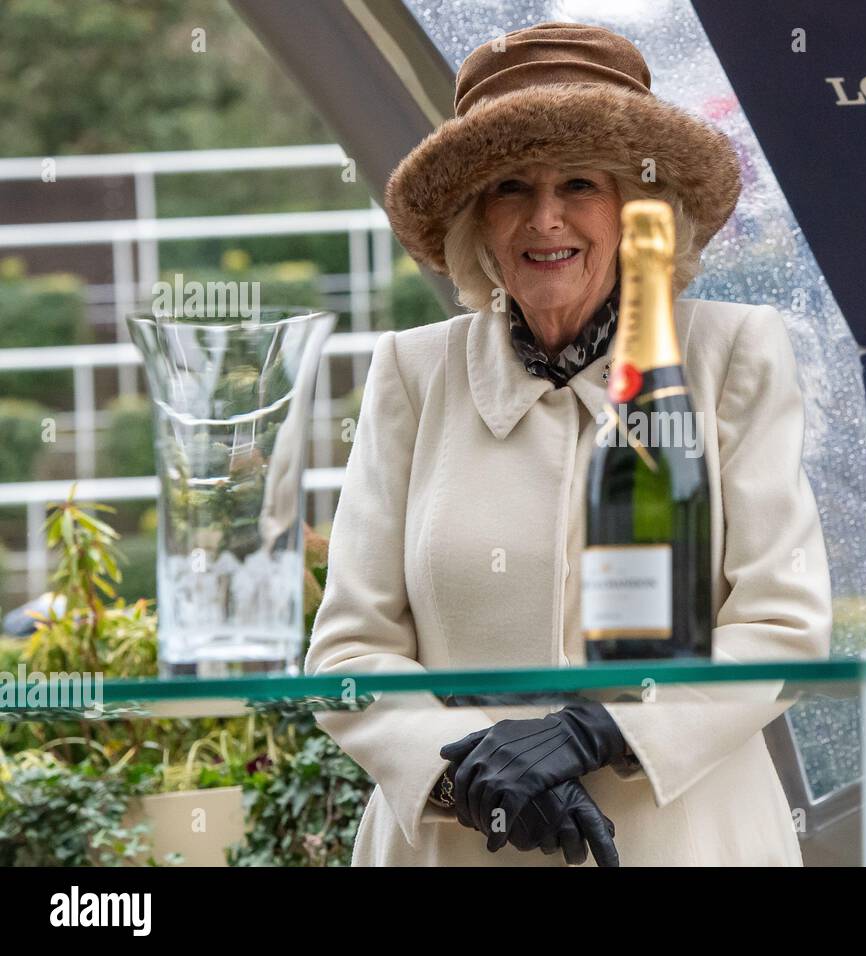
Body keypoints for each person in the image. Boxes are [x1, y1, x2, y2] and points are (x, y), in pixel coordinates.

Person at [305, 20, 832, 866]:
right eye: (511, 186)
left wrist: (602, 729)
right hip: (456, 843)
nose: (545, 217)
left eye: (580, 183)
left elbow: (783, 625)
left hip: (684, 843)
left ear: (635, 208)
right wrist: (465, 775)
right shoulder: (413, 371)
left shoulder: (730, 351)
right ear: (478, 219)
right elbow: (349, 650)